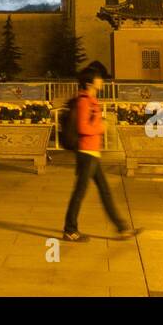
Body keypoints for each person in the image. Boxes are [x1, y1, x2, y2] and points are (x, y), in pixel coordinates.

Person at [63, 65, 133, 242]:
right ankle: (70, 229)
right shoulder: (84, 102)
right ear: (90, 83)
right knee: (81, 192)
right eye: (98, 78)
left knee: (104, 191)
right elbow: (83, 127)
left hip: (92, 151)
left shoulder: (91, 101)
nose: (102, 80)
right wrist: (100, 126)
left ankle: (122, 228)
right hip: (86, 152)